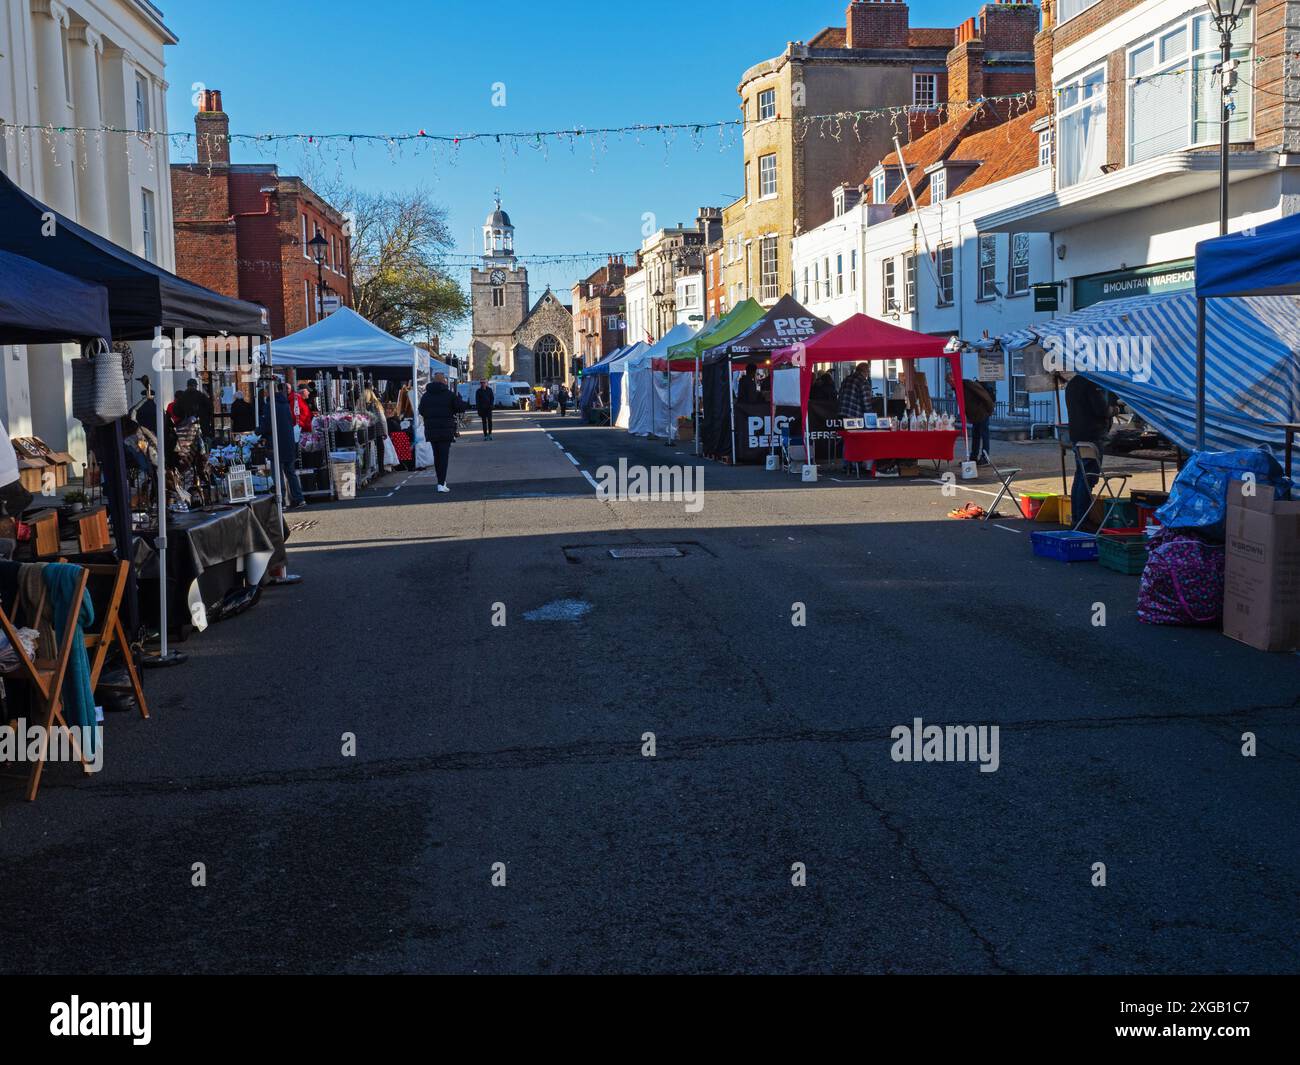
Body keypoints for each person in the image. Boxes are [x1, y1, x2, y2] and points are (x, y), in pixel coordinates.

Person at [1066, 375, 1118, 530]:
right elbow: (1101, 409)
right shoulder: (1092, 384)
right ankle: (1082, 519)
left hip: (1078, 435)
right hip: (1092, 435)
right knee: (1088, 478)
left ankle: (1077, 517)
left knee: (1081, 476)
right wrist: (1115, 409)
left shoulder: (1074, 382)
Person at [419, 373, 470, 492]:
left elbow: (421, 410)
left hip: (431, 430)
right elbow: (460, 408)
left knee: (437, 457)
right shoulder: (449, 394)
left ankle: (440, 481)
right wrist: (461, 400)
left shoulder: (426, 395)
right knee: (443, 457)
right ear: (443, 381)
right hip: (446, 430)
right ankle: (441, 483)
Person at [259, 383, 307, 510]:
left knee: (278, 474)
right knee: (290, 472)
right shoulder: (285, 404)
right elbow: (290, 422)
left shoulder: (269, 406)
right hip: (289, 443)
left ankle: (283, 501)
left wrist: (258, 431)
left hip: (276, 444)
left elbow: (267, 425)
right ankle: (299, 498)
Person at [947, 369, 995, 464]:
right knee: (975, 436)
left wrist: (990, 410)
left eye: (951, 381)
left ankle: (985, 458)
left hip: (982, 412)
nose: (950, 383)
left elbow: (984, 395)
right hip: (974, 416)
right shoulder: (957, 389)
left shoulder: (968, 384)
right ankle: (973, 456)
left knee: (984, 435)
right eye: (949, 382)